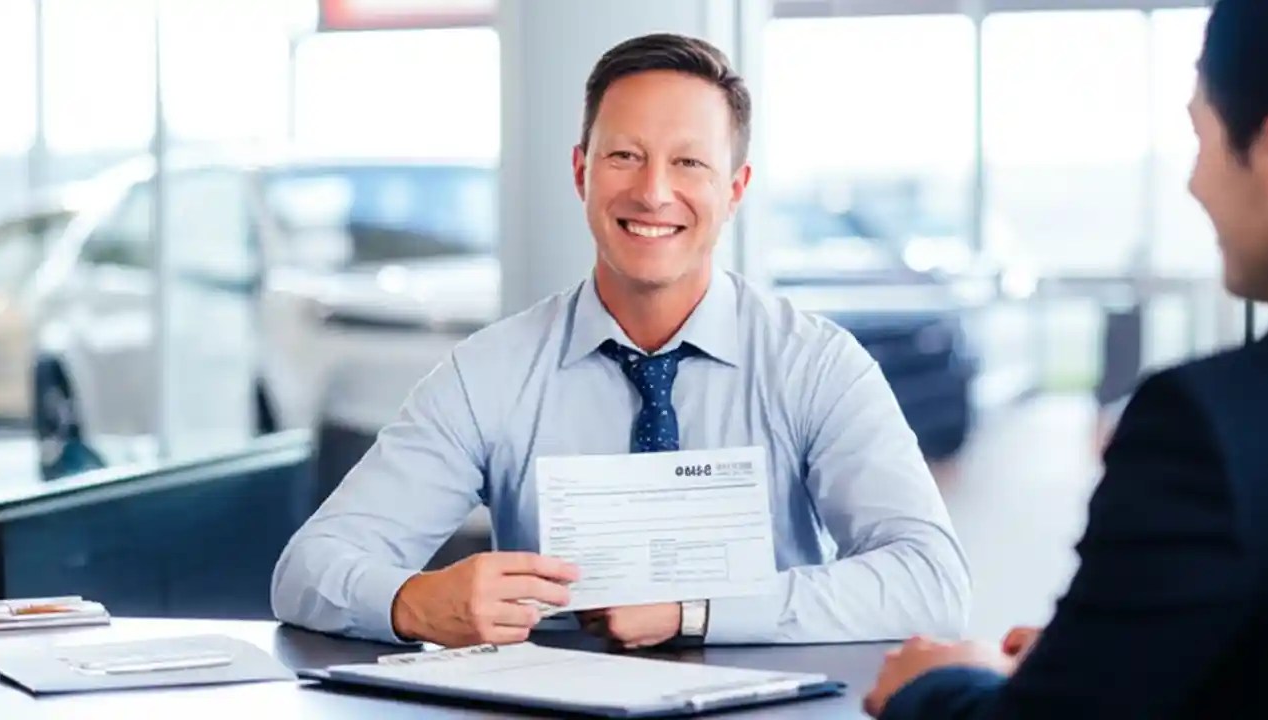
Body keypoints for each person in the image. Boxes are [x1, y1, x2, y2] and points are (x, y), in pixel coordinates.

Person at [272, 32, 970, 650]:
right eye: (625, 156)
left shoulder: (815, 365)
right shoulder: (491, 372)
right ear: (581, 172)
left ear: (735, 189)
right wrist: (411, 603)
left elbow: (931, 584)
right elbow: (310, 569)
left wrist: (694, 611)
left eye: (690, 163)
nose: (653, 191)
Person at [865, 1, 1268, 717]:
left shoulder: (1209, 432)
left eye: (1199, 138)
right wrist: (1112, 647)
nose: (1194, 183)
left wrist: (936, 684)